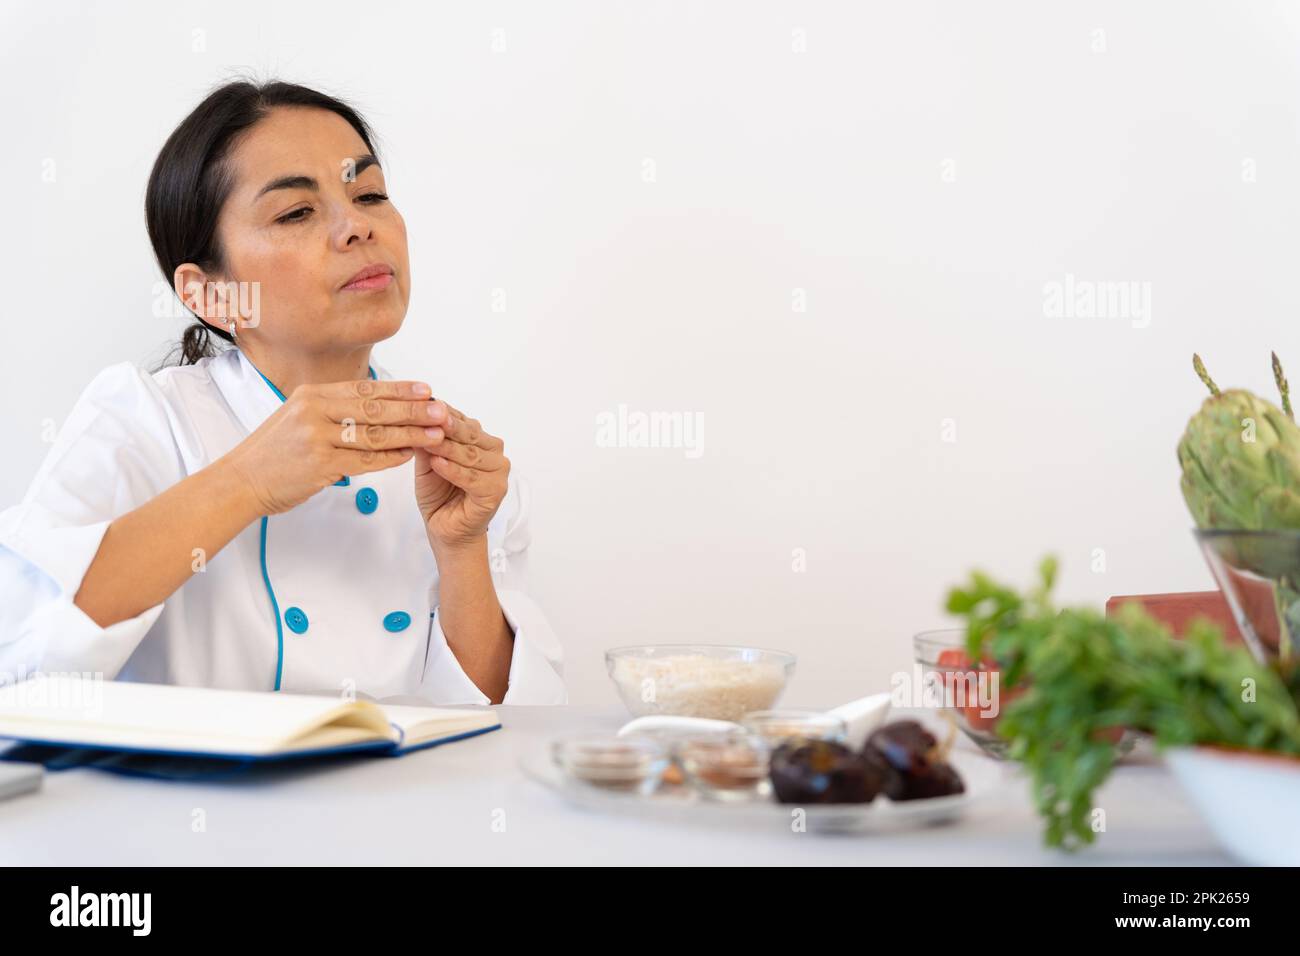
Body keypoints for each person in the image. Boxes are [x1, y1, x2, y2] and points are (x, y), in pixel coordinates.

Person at [0, 80, 565, 705]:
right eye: (296, 212)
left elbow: (499, 735)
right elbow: (22, 665)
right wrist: (248, 481)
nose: (357, 226)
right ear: (209, 294)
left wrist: (462, 550)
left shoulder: (460, 467)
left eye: (370, 193)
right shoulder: (144, 421)